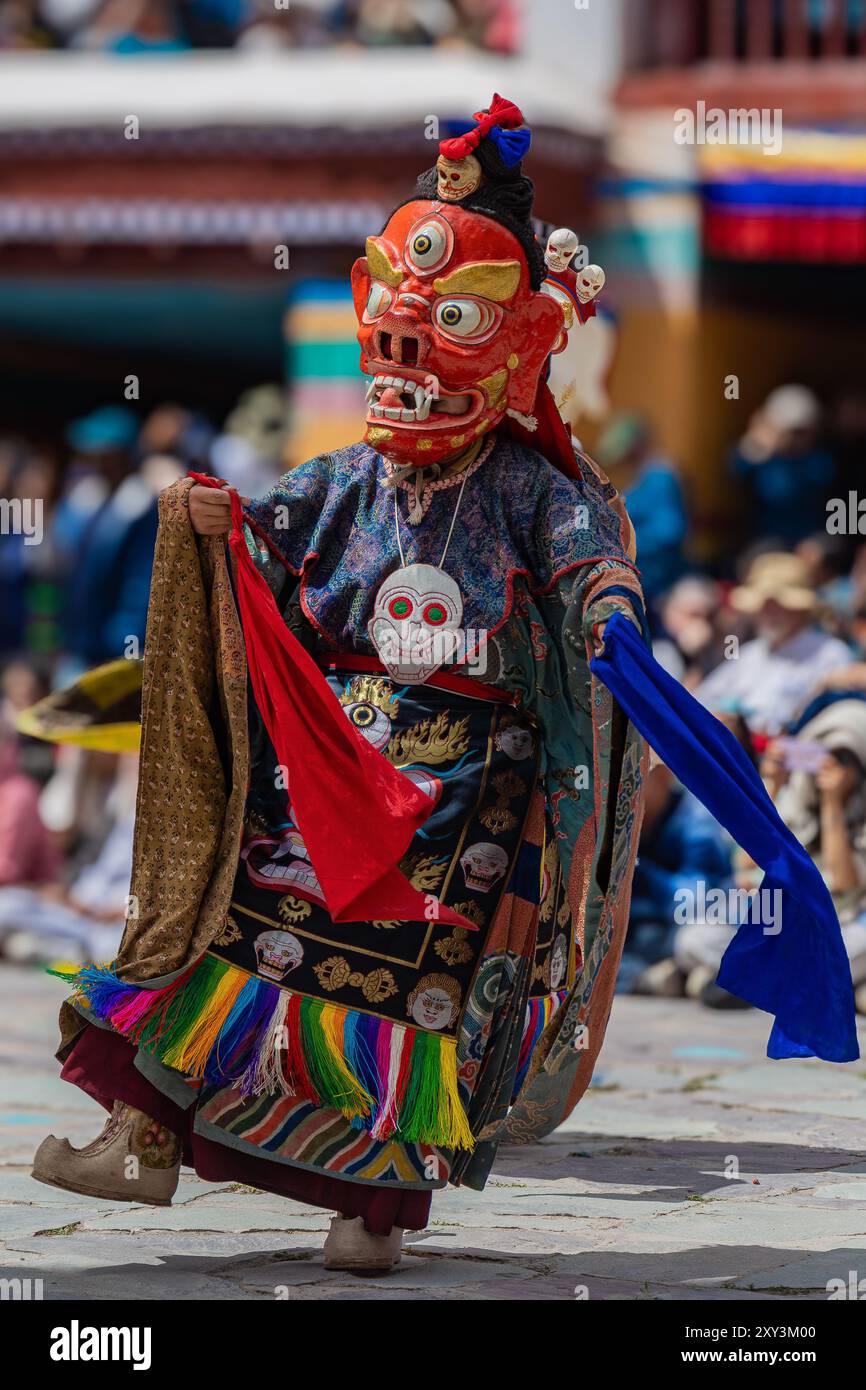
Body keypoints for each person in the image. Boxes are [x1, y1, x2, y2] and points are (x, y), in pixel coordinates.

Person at [34, 96, 647, 1273]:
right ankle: (143, 1134)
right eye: (396, 314)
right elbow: (264, 548)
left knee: (407, 1000)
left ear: (520, 342)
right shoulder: (344, 476)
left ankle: (368, 1215)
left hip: (461, 787)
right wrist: (208, 526)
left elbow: (588, 563)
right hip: (318, 759)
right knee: (227, 931)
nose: (410, 351)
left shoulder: (530, 487)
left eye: (453, 320)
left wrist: (606, 609)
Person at [695, 552, 851, 736]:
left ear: (801, 608)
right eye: (763, 604)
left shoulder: (831, 654)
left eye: (778, 604)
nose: (768, 612)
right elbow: (700, 700)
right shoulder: (749, 653)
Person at [595, 412, 687, 607]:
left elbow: (669, 532)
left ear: (637, 446)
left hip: (660, 586)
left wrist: (622, 544)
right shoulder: (643, 476)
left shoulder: (659, 478)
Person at [730, 384, 836, 546]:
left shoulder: (820, 463)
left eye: (800, 432)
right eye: (789, 431)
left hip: (811, 541)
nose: (794, 438)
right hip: (767, 542)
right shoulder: (758, 461)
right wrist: (758, 442)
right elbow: (735, 470)